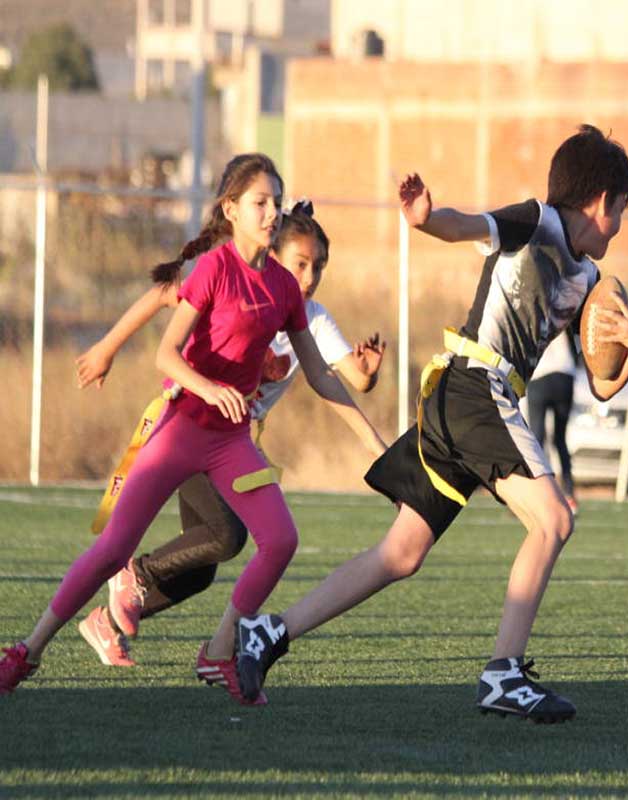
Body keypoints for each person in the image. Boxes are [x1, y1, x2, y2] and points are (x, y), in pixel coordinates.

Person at [232, 125, 628, 723]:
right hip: (476, 387)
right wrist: (427, 219)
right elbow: (468, 226)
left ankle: (268, 633)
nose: (620, 226)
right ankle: (504, 673)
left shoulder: (584, 278)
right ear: (603, 201)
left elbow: (602, 386)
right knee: (554, 520)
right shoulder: (538, 222)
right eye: (622, 211)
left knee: (402, 552)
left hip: (468, 399)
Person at [0, 153, 386, 702]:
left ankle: (219, 651)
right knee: (112, 551)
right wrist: (204, 386)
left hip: (232, 443)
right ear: (231, 210)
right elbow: (167, 352)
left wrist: (380, 449)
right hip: (181, 430)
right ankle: (27, 651)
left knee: (280, 540)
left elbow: (323, 376)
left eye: (276, 202)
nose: (271, 212)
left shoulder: (283, 288)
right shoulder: (214, 268)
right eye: (260, 202)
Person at [72, 200, 386, 669]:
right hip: (188, 425)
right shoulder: (232, 282)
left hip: (232, 445)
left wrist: (368, 379)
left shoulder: (312, 317)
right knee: (226, 536)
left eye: (319, 266)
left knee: (202, 567)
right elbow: (162, 294)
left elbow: (347, 381)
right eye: (301, 264)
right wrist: (106, 348)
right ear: (272, 253)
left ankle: (107, 623)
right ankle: (133, 573)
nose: (310, 277)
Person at [526, 330, 579, 514]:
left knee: (536, 440)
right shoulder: (566, 316)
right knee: (560, 439)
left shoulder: (533, 317)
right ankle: (569, 494)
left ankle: (536, 496)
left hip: (539, 376)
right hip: (565, 375)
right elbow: (578, 345)